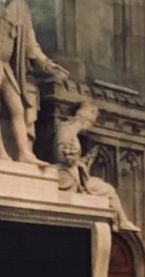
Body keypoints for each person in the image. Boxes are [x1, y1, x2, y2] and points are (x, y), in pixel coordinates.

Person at [0, 0, 69, 163]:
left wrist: (47, 64)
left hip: (5, 66)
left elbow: (31, 44)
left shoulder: (20, 7)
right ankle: (1, 152)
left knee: (17, 108)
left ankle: (24, 153)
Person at [53, 101, 139, 231]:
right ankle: (121, 222)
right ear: (86, 119)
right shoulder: (66, 132)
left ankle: (121, 221)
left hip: (77, 176)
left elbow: (71, 158)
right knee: (108, 190)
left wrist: (85, 160)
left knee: (106, 188)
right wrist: (77, 159)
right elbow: (63, 157)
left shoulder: (68, 131)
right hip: (72, 178)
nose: (89, 127)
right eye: (91, 123)